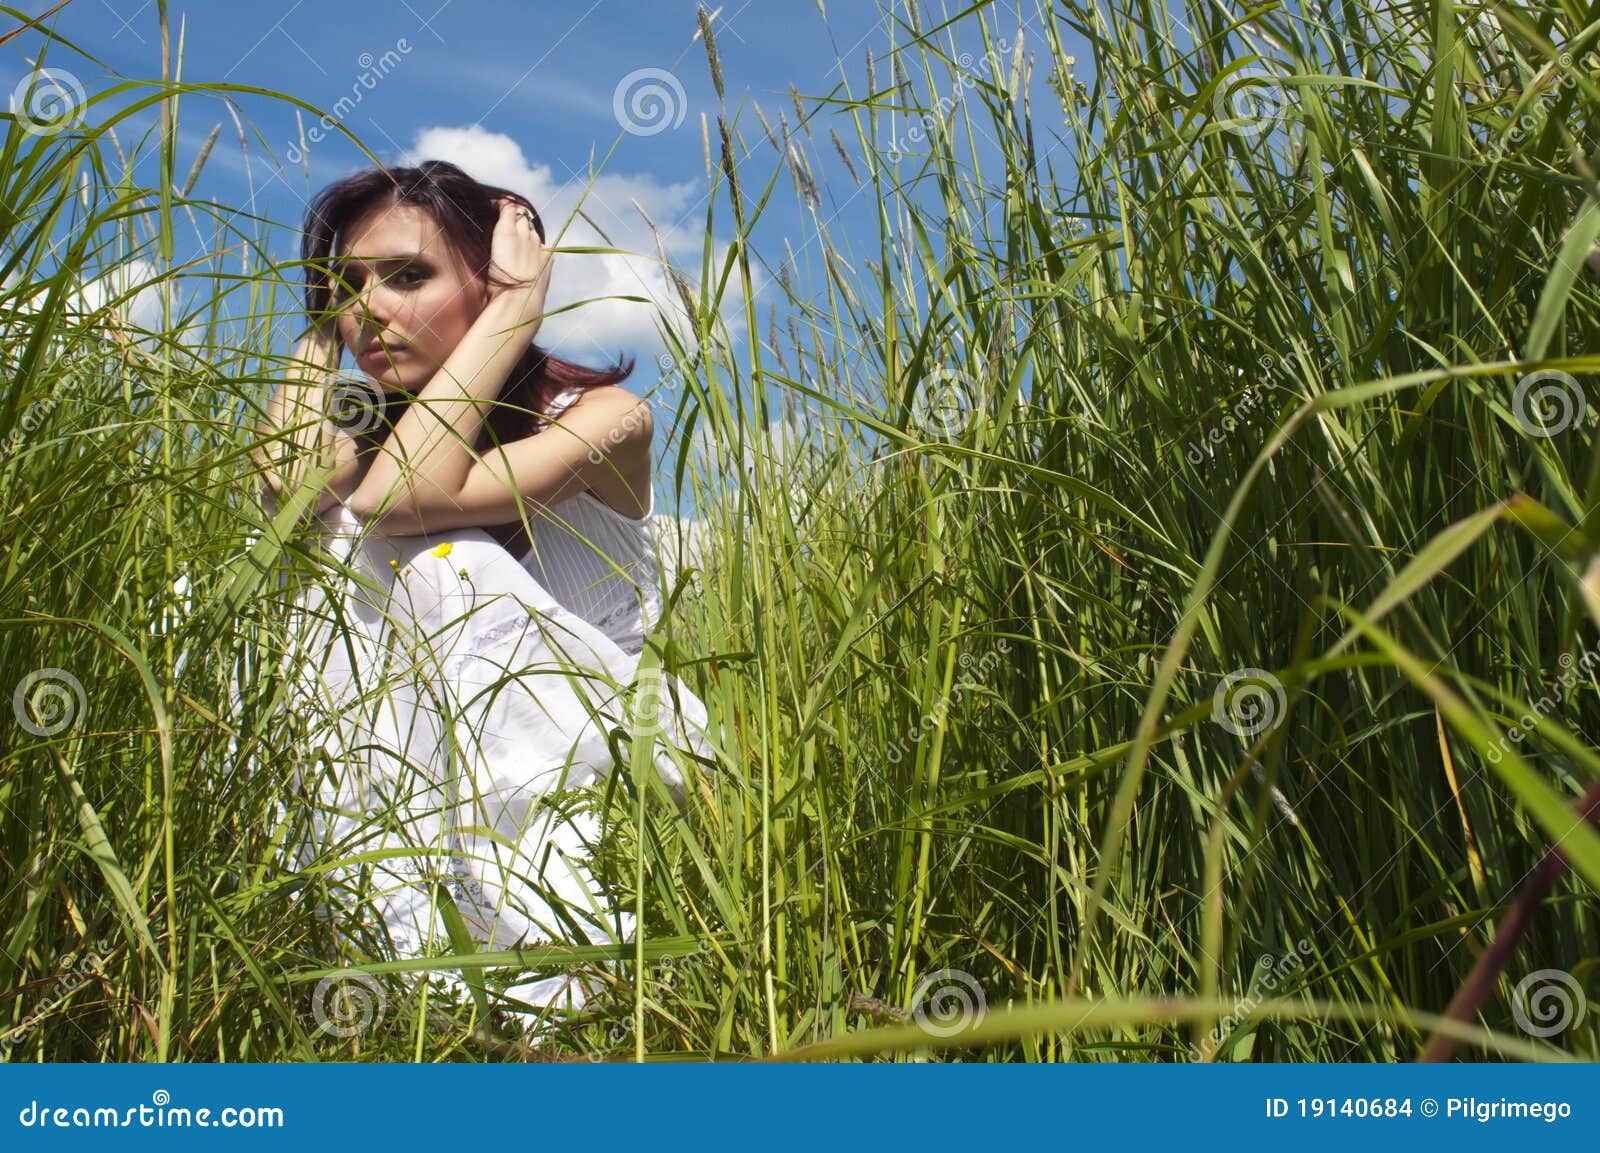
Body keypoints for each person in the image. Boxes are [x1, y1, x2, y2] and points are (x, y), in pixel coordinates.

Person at [251, 159, 713, 1041]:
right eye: (347, 287)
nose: (370, 311)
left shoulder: (605, 416)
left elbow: (401, 503)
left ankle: (563, 987)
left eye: (408, 275)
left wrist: (513, 311)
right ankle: (400, 949)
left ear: (495, 273)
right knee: (330, 542)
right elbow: (284, 488)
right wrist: (319, 327)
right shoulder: (371, 439)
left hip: (607, 772)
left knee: (438, 558)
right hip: (422, 793)